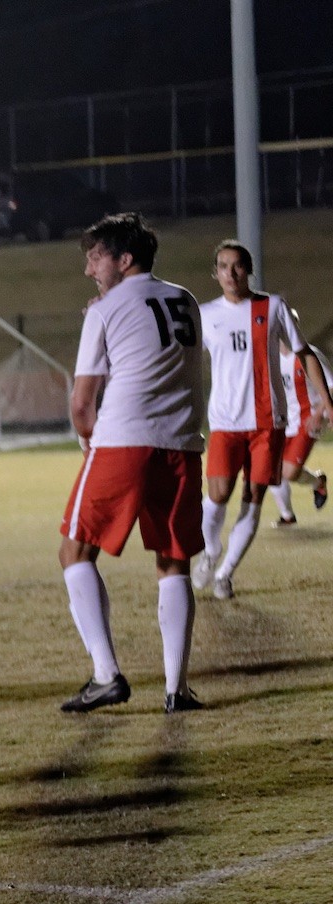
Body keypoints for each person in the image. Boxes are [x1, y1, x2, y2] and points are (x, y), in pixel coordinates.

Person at [50, 213, 206, 714]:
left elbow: (82, 403)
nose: (89, 270)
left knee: (74, 552)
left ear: (124, 259)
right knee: (174, 561)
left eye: (96, 258)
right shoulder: (186, 299)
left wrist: (88, 441)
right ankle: (176, 690)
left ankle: (106, 676)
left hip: (123, 442)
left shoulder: (104, 310)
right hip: (183, 444)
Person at [193, 241, 316, 599]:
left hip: (268, 422)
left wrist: (326, 402)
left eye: (237, 266)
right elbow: (178, 355)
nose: (230, 273)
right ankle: (211, 550)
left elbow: (304, 353)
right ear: (215, 273)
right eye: (223, 266)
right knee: (217, 494)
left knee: (253, 497)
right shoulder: (204, 315)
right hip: (225, 423)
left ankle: (225, 574)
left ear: (248, 270)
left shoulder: (272, 306)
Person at [274, 330, 331, 524]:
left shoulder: (308, 354)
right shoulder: (272, 357)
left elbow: (331, 386)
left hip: (309, 419)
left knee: (289, 472)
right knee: (272, 467)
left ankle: (317, 482)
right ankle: (287, 516)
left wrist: (319, 413)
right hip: (284, 421)